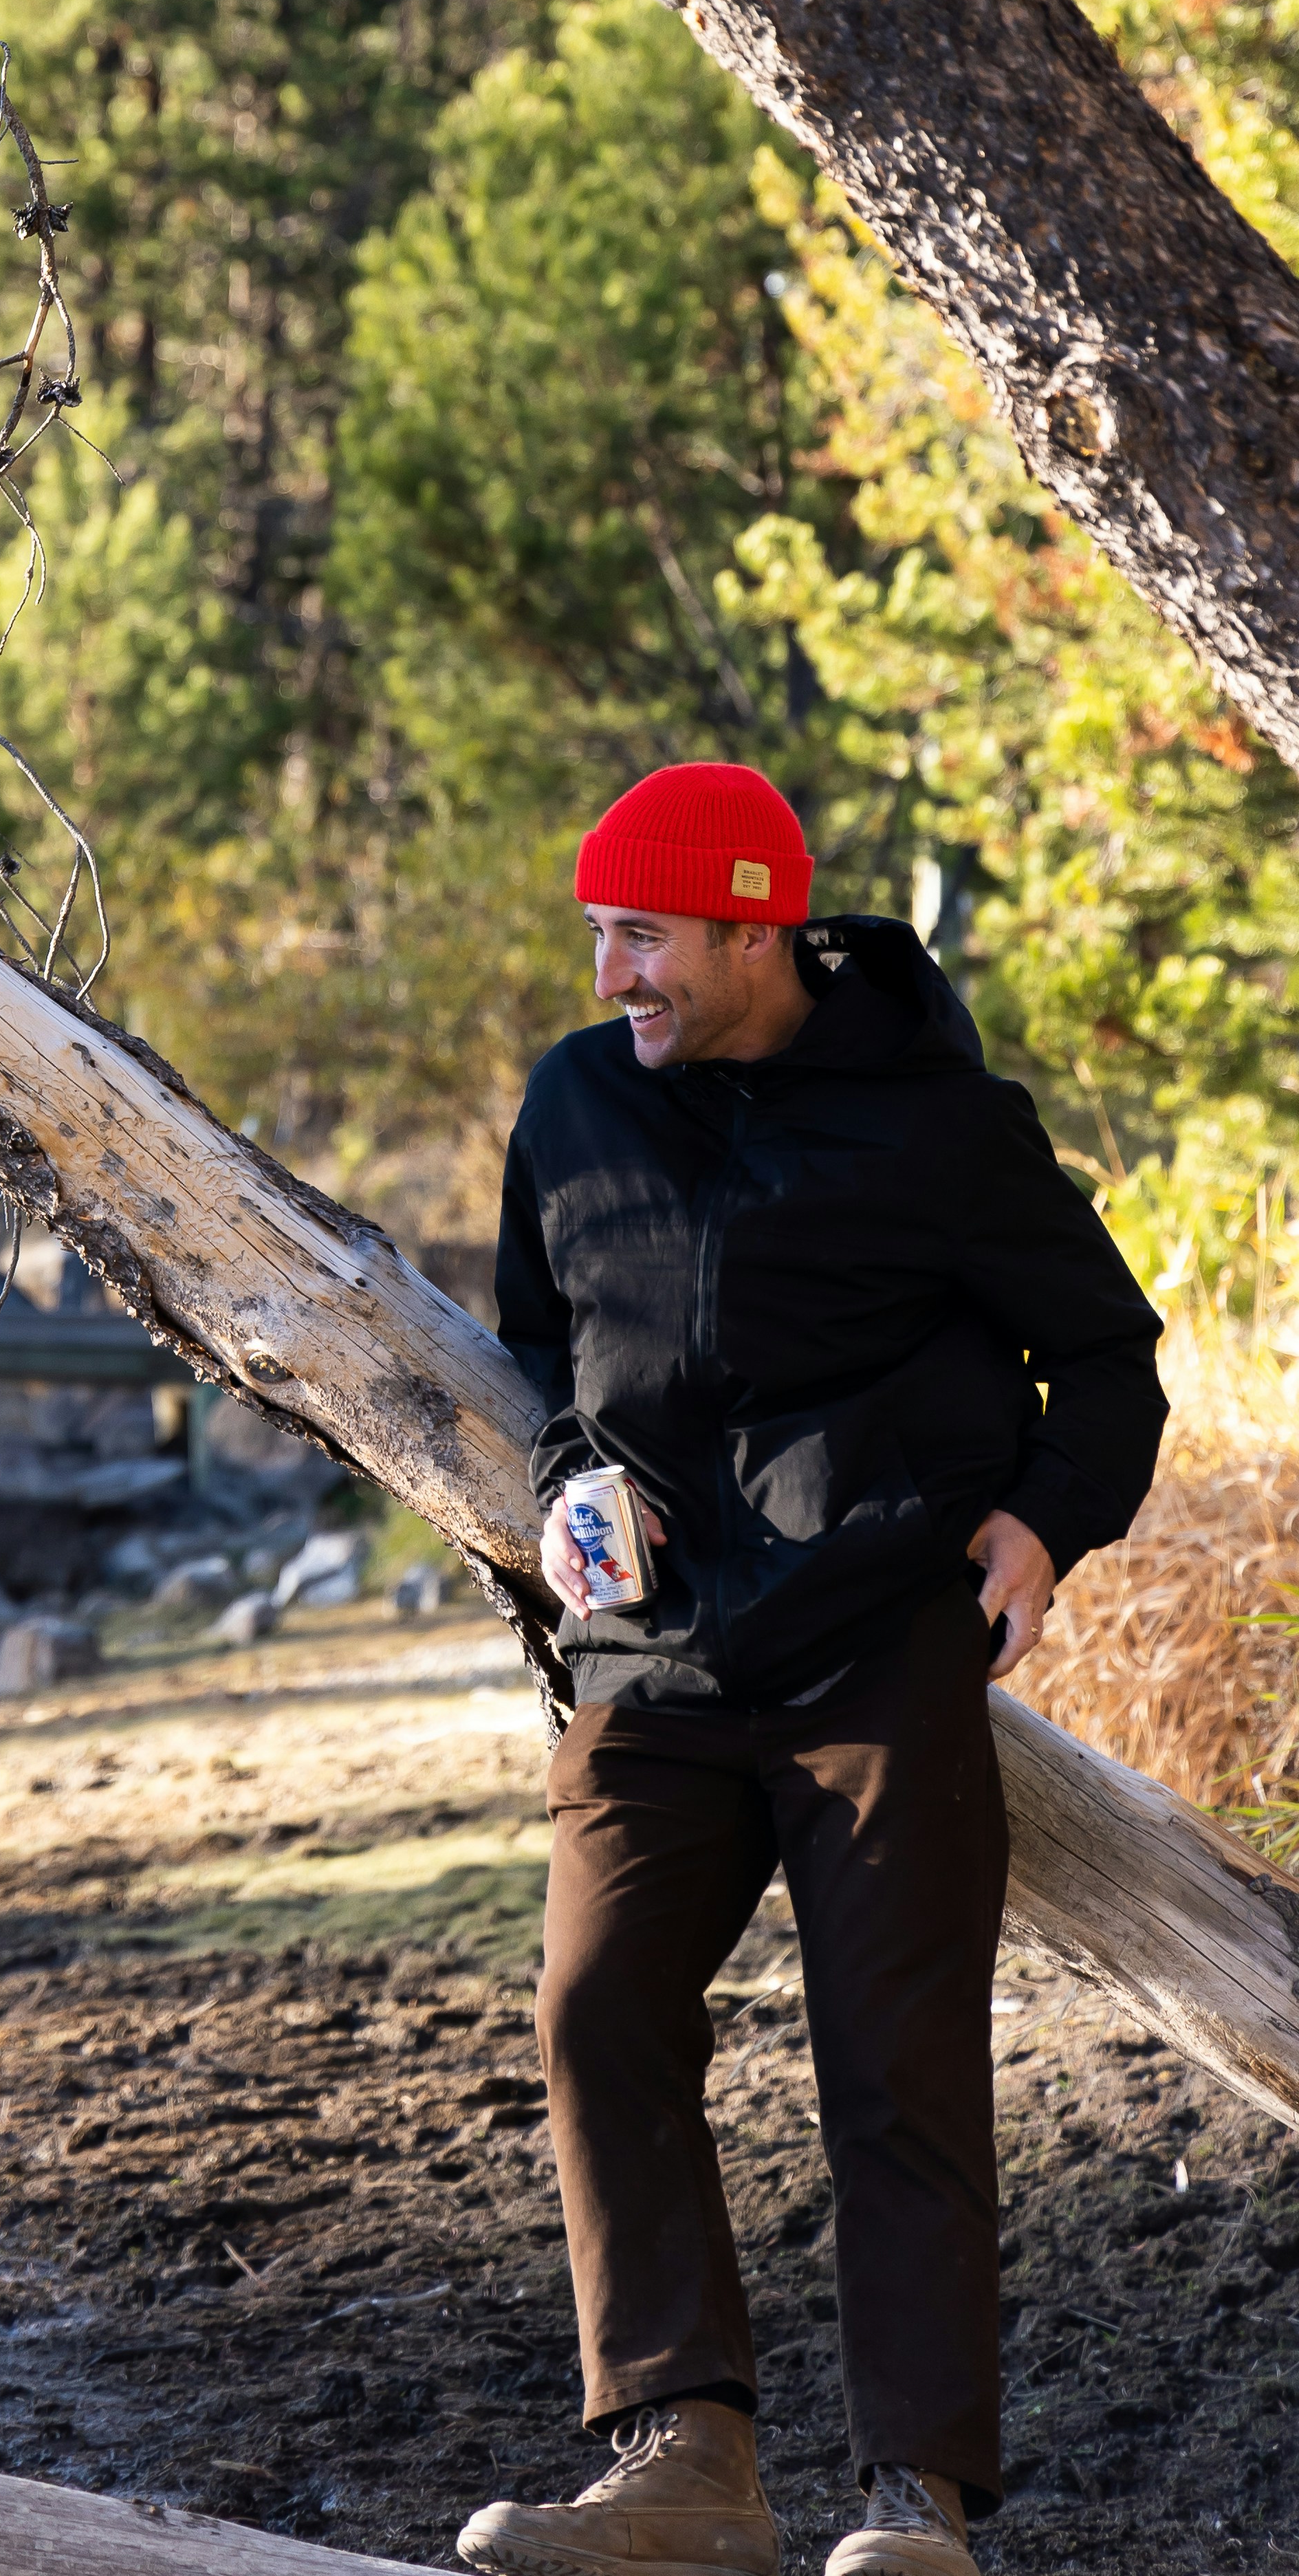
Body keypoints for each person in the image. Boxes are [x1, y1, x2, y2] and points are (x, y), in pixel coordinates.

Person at [455, 762, 1165, 2576]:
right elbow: (546, 1340)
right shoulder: (575, 1104)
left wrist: (1041, 1523)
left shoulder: (939, 1125)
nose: (613, 973)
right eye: (598, 933)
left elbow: (1101, 1358)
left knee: (898, 2076)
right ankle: (684, 2459)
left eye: (646, 937)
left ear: (758, 928)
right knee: (596, 2008)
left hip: (875, 1653)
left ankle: (917, 2502)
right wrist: (569, 1488)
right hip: (651, 1663)